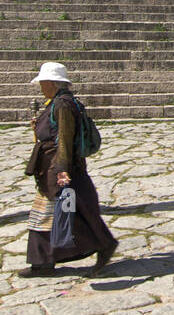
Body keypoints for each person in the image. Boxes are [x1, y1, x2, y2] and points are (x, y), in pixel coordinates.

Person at [21, 62, 117, 277]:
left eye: (43, 82)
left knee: (72, 213)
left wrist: (61, 170)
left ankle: (103, 244)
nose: (41, 86)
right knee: (49, 215)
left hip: (60, 169)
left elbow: (64, 138)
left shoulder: (63, 105)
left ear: (52, 83)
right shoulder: (55, 102)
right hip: (52, 168)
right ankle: (42, 262)